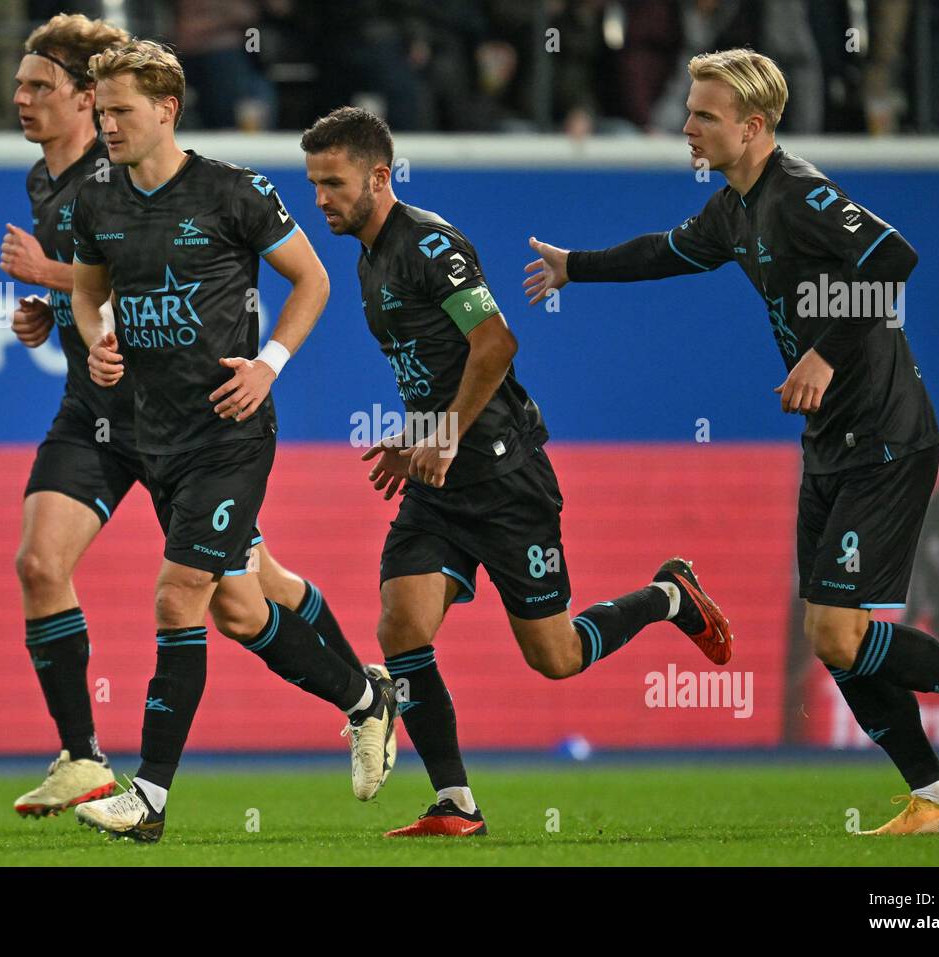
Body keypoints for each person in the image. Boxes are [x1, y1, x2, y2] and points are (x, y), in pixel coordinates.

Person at [523, 47, 939, 835]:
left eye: (705, 115)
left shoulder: (797, 192)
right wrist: (577, 267)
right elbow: (668, 251)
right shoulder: (732, 208)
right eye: (692, 111)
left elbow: (894, 256)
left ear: (754, 126)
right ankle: (937, 799)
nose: (689, 128)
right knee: (830, 638)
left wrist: (824, 350)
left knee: (836, 632)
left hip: (886, 435)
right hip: (832, 441)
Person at [0, 21, 388, 835]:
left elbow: (312, 278)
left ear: (168, 109)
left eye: (122, 112)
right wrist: (99, 335)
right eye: (101, 112)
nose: (108, 126)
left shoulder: (231, 190)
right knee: (241, 610)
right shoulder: (98, 201)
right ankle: (366, 696)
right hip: (154, 431)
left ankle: (148, 797)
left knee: (179, 598)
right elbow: (91, 288)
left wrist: (268, 363)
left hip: (229, 431)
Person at [302, 106, 733, 838]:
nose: (321, 200)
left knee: (556, 656)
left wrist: (441, 432)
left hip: (505, 478)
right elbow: (437, 372)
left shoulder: (430, 245)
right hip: (440, 484)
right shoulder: (369, 259)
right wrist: (417, 437)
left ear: (380, 176)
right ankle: (454, 802)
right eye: (314, 184)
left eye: (333, 183)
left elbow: (497, 344)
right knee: (401, 625)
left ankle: (669, 595)